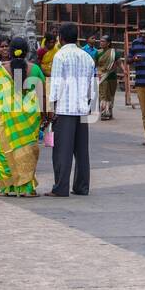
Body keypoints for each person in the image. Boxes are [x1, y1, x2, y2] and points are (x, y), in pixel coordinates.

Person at [0, 37, 43, 196]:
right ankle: (27, 189)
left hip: (7, 118)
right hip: (29, 119)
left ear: (10, 52)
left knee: (5, 150)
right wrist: (47, 115)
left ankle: (6, 188)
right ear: (27, 52)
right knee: (27, 151)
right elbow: (42, 95)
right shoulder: (35, 69)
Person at [47, 21, 98, 198]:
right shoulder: (87, 57)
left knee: (62, 150)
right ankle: (82, 186)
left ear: (61, 38)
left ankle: (60, 187)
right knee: (82, 151)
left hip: (65, 109)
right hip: (82, 108)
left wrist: (51, 107)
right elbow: (93, 86)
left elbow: (56, 84)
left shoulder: (60, 56)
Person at [96, 34, 118, 120]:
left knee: (111, 95)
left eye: (103, 41)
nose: (101, 42)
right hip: (102, 76)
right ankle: (104, 113)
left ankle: (109, 112)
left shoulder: (114, 52)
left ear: (108, 43)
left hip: (112, 76)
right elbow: (95, 64)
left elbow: (119, 62)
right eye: (100, 41)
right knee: (103, 95)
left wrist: (124, 70)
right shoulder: (97, 53)